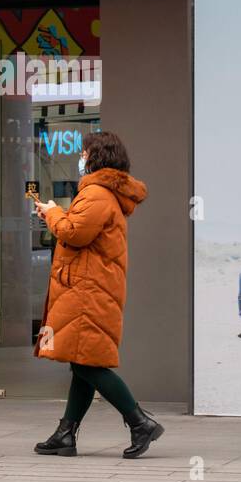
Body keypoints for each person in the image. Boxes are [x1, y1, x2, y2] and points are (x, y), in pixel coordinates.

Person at [31, 130, 164, 458]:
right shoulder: (104, 195)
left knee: (88, 364)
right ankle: (65, 434)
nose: (81, 157)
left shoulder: (97, 195)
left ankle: (139, 421)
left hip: (86, 291)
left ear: (96, 157)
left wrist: (51, 212)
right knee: (82, 360)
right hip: (90, 288)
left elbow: (73, 233)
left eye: (84, 152)